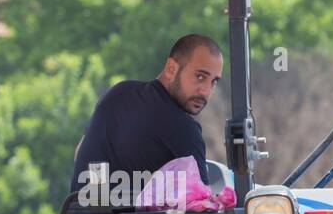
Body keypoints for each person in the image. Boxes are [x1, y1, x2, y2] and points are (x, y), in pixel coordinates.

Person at [68, 33, 223, 202]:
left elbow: (79, 152)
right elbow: (202, 207)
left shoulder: (117, 93)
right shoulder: (184, 128)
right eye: (200, 76)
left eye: (214, 81)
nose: (206, 91)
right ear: (171, 68)